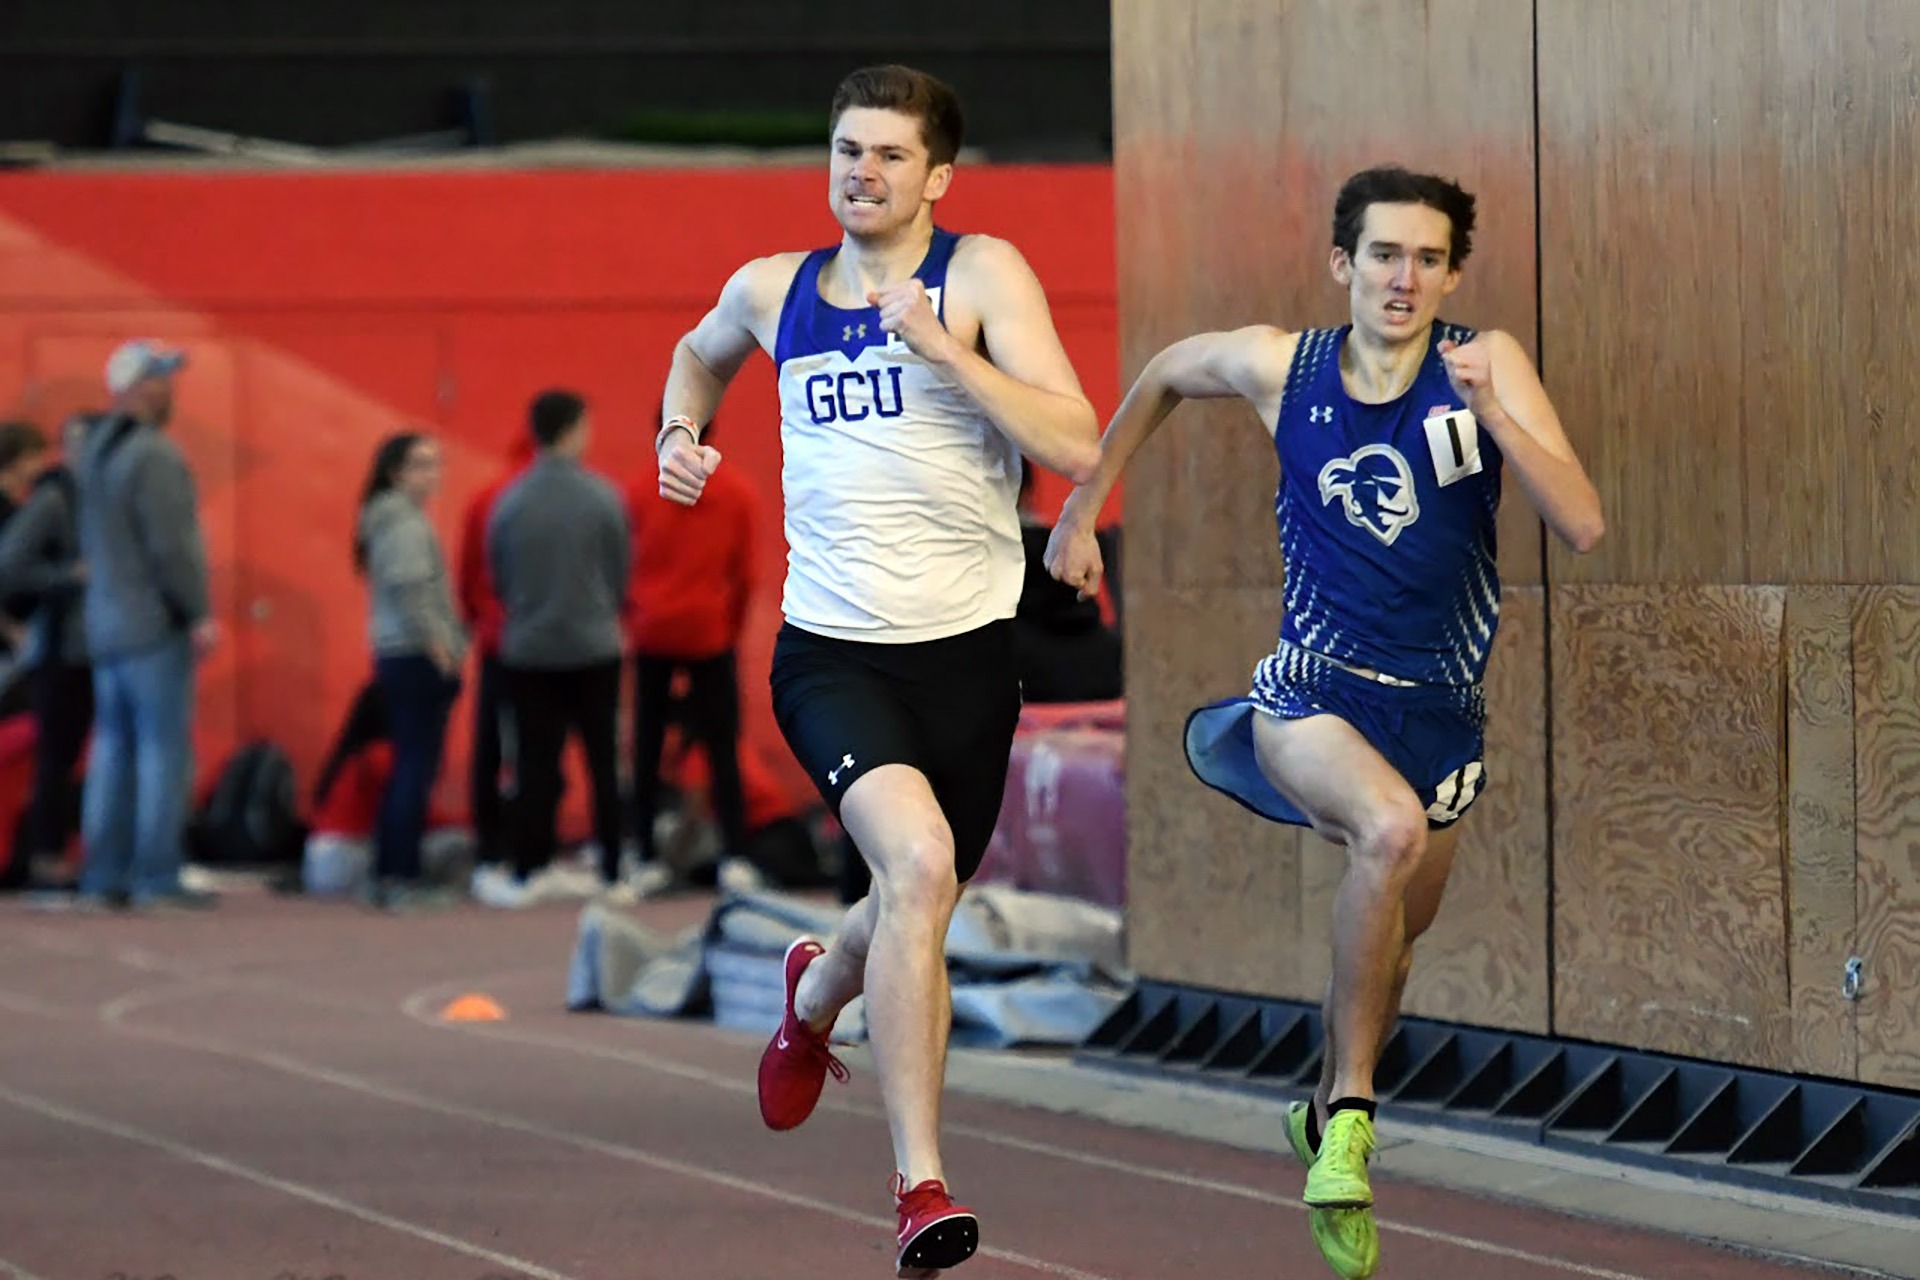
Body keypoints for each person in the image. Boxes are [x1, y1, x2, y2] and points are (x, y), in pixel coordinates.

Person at [1044, 165, 1605, 1280]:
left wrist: (1495, 412)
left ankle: (1316, 1107)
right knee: (1386, 835)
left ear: (1452, 272)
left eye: (1429, 259)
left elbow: (1581, 521)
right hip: (1309, 687)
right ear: (1343, 263)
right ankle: (1352, 1116)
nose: (1406, 278)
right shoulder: (1278, 364)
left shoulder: (1483, 367)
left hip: (1440, 713)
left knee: (1398, 935)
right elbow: (1162, 371)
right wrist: (1079, 504)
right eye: (1385, 254)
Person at [654, 63, 1099, 1276]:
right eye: (849, 150)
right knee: (918, 864)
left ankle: (812, 991)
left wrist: (949, 355)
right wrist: (678, 435)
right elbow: (695, 358)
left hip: (968, 652)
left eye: (891, 155)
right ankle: (920, 1184)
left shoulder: (982, 274)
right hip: (834, 651)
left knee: (919, 897)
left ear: (937, 178)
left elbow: (1075, 440)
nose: (864, 171)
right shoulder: (773, 288)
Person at [74, 339, 221, 912]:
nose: (171, 390)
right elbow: (173, 548)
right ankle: (156, 873)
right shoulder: (155, 456)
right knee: (164, 749)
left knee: (112, 749)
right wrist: (196, 611)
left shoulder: (94, 454)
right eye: (161, 379)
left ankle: (104, 871)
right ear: (137, 387)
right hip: (150, 625)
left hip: (105, 623)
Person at [484, 388, 630, 904]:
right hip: (594, 647)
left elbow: (497, 576)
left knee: (533, 765)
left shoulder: (510, 502)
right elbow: (620, 572)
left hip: (529, 650)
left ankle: (531, 866)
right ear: (572, 429)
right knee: (602, 763)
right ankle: (613, 869)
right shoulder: (603, 497)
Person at [624, 408, 759, 899]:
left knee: (646, 748)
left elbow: (623, 567)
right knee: (725, 748)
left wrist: (634, 618)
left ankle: (642, 855)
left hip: (652, 634)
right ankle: (737, 856)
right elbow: (743, 575)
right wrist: (729, 629)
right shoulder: (736, 492)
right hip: (710, 634)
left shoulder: (638, 491)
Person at [355, 430, 466, 911]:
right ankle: (400, 875)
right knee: (415, 768)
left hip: (401, 652)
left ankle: (391, 871)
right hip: (414, 654)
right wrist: (438, 644)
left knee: (410, 766)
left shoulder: (390, 519)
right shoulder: (403, 524)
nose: (433, 473)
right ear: (396, 472)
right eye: (422, 464)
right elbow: (409, 588)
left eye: (436, 462)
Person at [0, 415, 93, 894]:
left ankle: (51, 851)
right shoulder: (54, 501)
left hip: (66, 648)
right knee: (54, 754)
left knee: (63, 753)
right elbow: (9, 568)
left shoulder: (75, 501)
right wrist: (68, 577)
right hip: (47, 649)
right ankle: (44, 855)